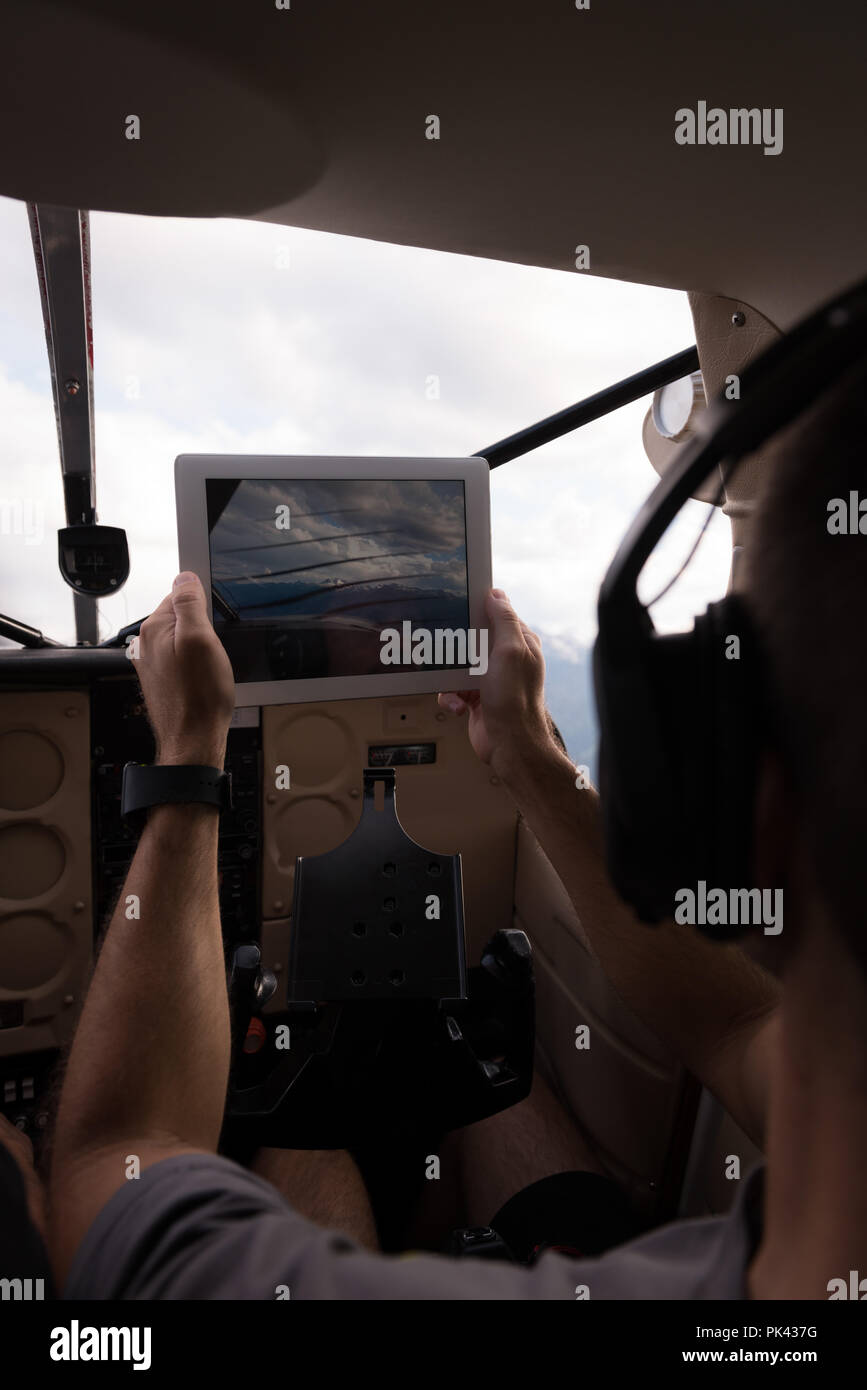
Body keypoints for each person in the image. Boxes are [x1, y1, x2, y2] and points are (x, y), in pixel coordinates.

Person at [46, 371, 866, 1296]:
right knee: (490, 1088)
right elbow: (739, 1018)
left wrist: (190, 751)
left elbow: (109, 1162)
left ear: (733, 798)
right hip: (584, 1245)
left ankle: (306, 1120)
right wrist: (527, 756)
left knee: (300, 1122)